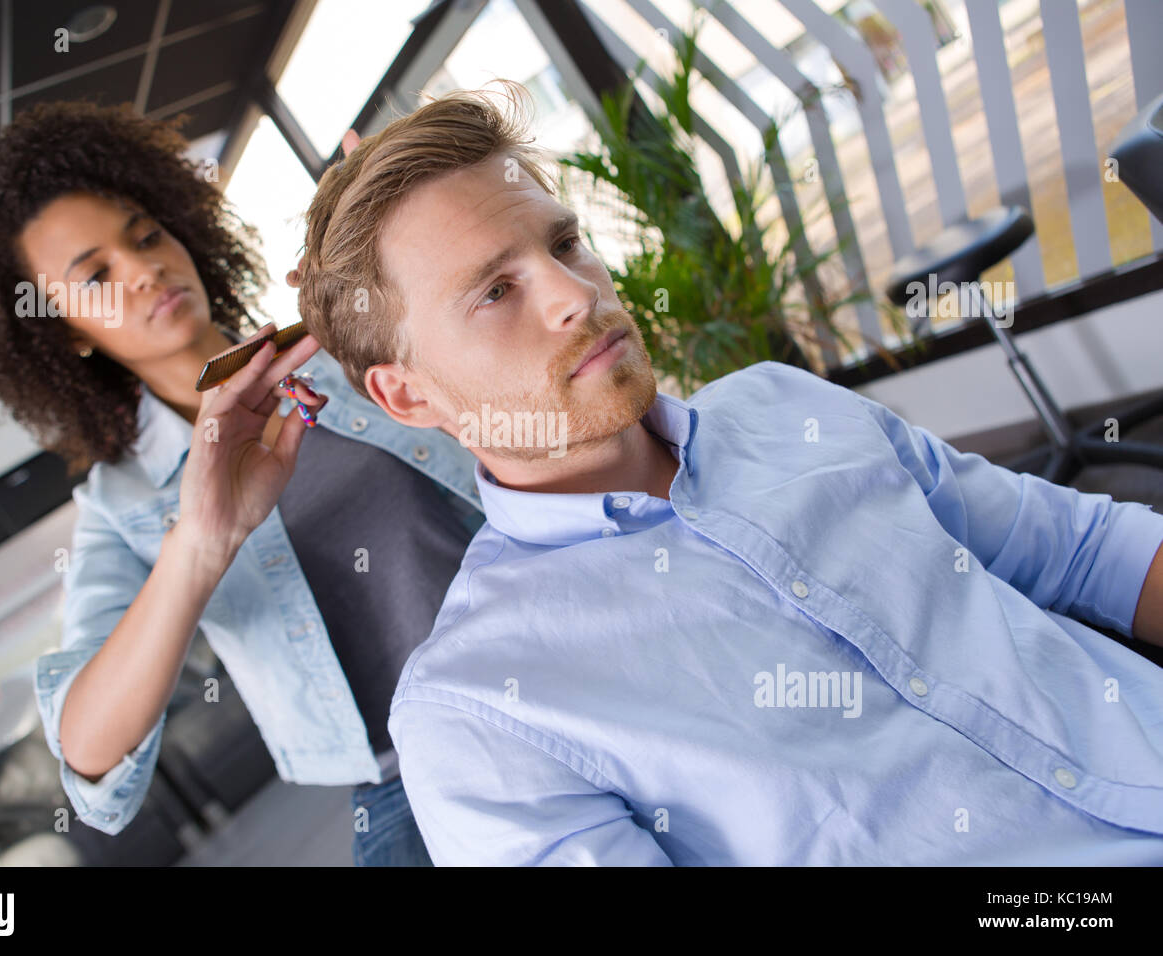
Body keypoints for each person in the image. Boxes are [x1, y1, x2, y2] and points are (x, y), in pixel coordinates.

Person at [292, 80, 1163, 865]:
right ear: (405, 396)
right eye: (494, 292)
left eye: (564, 244)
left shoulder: (787, 406)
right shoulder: (477, 713)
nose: (574, 295)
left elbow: (1083, 552)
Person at [0, 101, 488, 865]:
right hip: (411, 785)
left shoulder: (343, 344)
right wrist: (200, 542)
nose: (143, 269)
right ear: (64, 331)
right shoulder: (121, 507)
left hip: (554, 662)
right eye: (95, 276)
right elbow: (91, 759)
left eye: (146, 235)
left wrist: (421, 221)